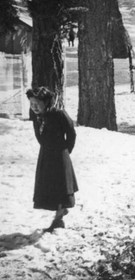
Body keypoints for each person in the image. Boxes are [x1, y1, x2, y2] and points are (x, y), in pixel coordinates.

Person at [26, 87, 78, 233]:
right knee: (49, 185)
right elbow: (40, 137)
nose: (34, 107)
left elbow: (71, 133)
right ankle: (61, 211)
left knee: (60, 186)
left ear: (46, 102)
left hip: (60, 156)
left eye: (37, 103)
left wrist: (66, 151)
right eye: (31, 104)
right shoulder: (37, 117)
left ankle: (58, 219)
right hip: (46, 155)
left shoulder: (59, 114)